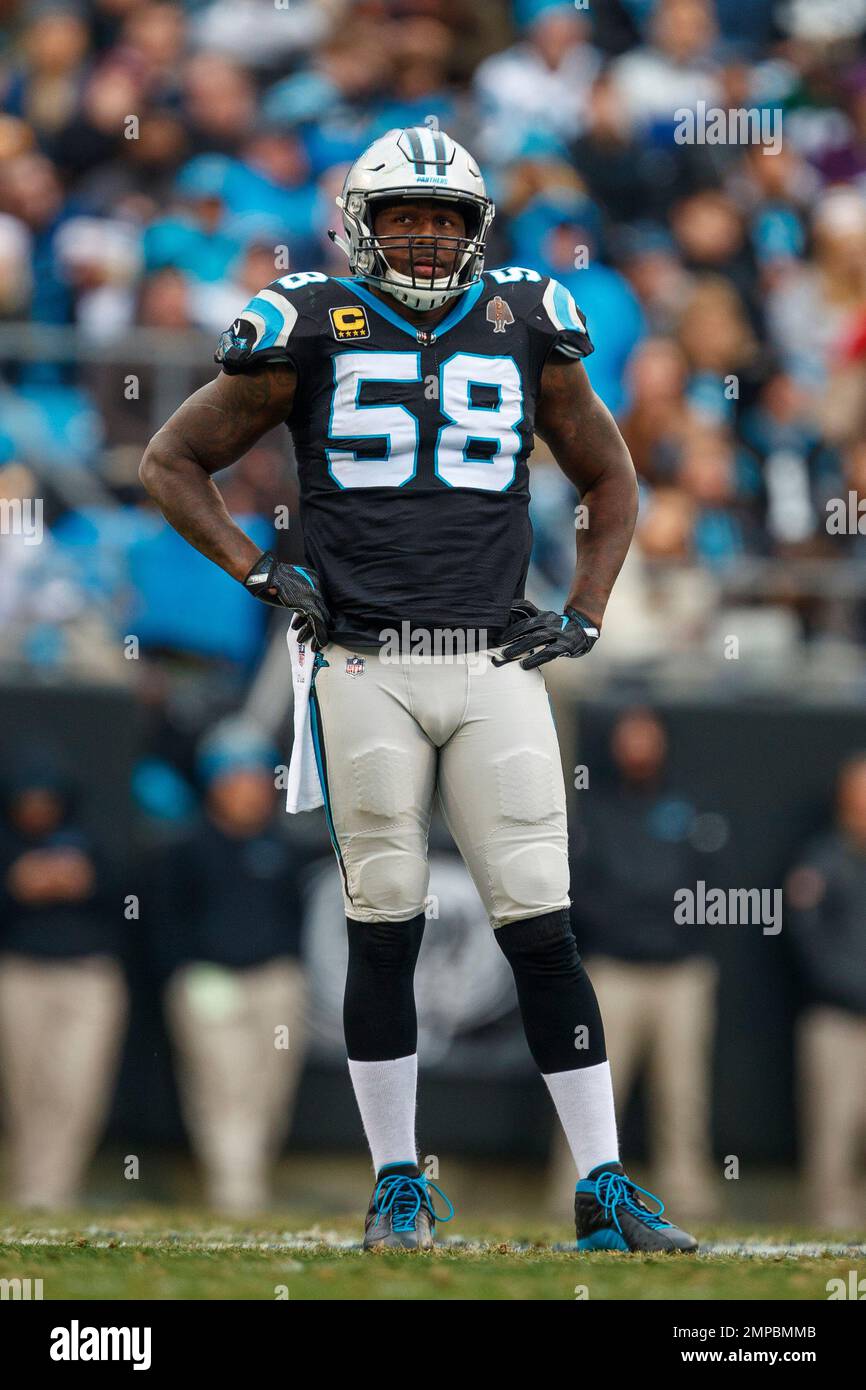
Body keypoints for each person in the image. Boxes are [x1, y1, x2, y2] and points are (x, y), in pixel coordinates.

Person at [139, 125, 697, 1254]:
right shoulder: (310, 321)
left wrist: (584, 607)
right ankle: (396, 1182)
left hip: (495, 659)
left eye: (444, 218)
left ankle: (601, 1183)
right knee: (381, 921)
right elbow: (168, 460)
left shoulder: (526, 316)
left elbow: (610, 472)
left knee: (539, 923)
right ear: (361, 224)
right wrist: (256, 566)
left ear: (476, 225)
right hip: (361, 660)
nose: (427, 236)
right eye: (405, 216)